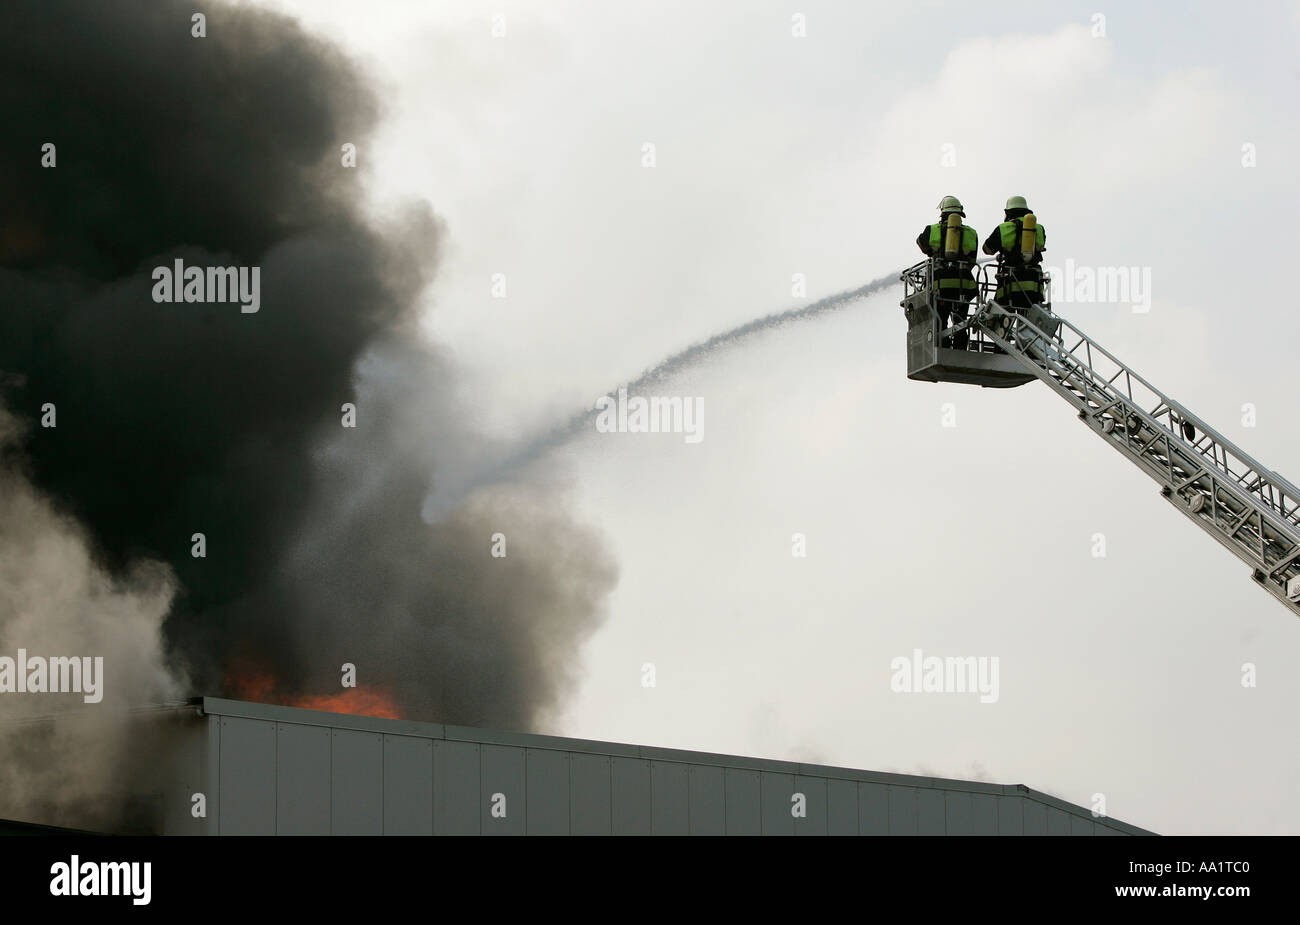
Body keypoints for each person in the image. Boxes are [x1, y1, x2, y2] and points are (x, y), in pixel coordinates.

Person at [915, 196, 978, 348]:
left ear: (942, 213)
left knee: (940, 321)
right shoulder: (971, 233)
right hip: (964, 284)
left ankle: (942, 347)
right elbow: (972, 259)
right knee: (961, 321)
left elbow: (921, 244)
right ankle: (960, 348)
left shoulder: (932, 230)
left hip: (940, 285)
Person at [982, 195, 1047, 310]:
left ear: (1008, 212)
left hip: (1010, 288)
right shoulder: (1039, 229)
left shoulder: (1003, 228)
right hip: (1034, 288)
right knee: (1026, 323)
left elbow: (987, 249)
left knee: (998, 319)